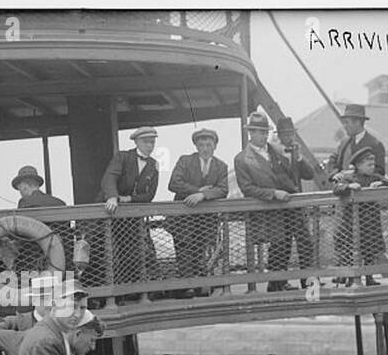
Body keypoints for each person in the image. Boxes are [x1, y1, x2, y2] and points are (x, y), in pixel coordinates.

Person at [235, 113, 299, 291]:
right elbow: (247, 189)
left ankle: (280, 281)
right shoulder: (241, 159)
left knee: (285, 243)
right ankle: (274, 282)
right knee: (277, 243)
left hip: (285, 205)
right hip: (266, 208)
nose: (264, 136)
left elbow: (290, 174)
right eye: (260, 132)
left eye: (265, 132)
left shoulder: (275, 151)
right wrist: (273, 193)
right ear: (251, 133)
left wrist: (292, 157)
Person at [98, 127, 162, 298]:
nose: (149, 145)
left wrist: (129, 199)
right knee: (102, 251)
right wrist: (112, 197)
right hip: (109, 213)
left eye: (152, 142)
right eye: (146, 142)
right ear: (136, 142)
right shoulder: (123, 157)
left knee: (132, 252)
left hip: (131, 217)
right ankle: (101, 294)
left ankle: (128, 292)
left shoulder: (153, 165)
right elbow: (109, 177)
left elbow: (149, 195)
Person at [168, 128, 229, 297]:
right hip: (183, 218)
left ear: (215, 146)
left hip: (205, 219)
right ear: (196, 146)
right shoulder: (185, 161)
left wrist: (202, 195)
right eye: (201, 145)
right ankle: (187, 287)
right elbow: (173, 183)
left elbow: (223, 190)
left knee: (200, 251)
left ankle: (201, 285)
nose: (205, 148)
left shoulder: (221, 166)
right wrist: (196, 190)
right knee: (184, 251)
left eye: (209, 144)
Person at [332, 146, 388, 287]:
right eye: (369, 165)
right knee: (352, 251)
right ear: (359, 165)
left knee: (369, 250)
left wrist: (381, 182)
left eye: (373, 164)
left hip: (370, 223)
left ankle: (369, 277)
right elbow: (336, 188)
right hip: (353, 223)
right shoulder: (349, 178)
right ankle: (351, 278)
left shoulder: (374, 177)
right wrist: (349, 187)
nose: (372, 167)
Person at [274, 117, 317, 282]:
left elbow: (309, 174)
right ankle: (277, 282)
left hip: (297, 206)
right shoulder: (273, 152)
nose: (289, 137)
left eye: (291, 133)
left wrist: (299, 158)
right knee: (281, 245)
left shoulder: (295, 152)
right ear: (279, 135)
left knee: (305, 242)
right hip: (280, 205)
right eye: (285, 134)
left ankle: (307, 279)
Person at [325, 103, 386, 183]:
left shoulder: (375, 144)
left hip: (363, 191)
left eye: (347, 122)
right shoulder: (344, 142)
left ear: (357, 122)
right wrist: (334, 174)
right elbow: (333, 160)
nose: (344, 126)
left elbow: (379, 172)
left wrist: (355, 176)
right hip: (342, 189)